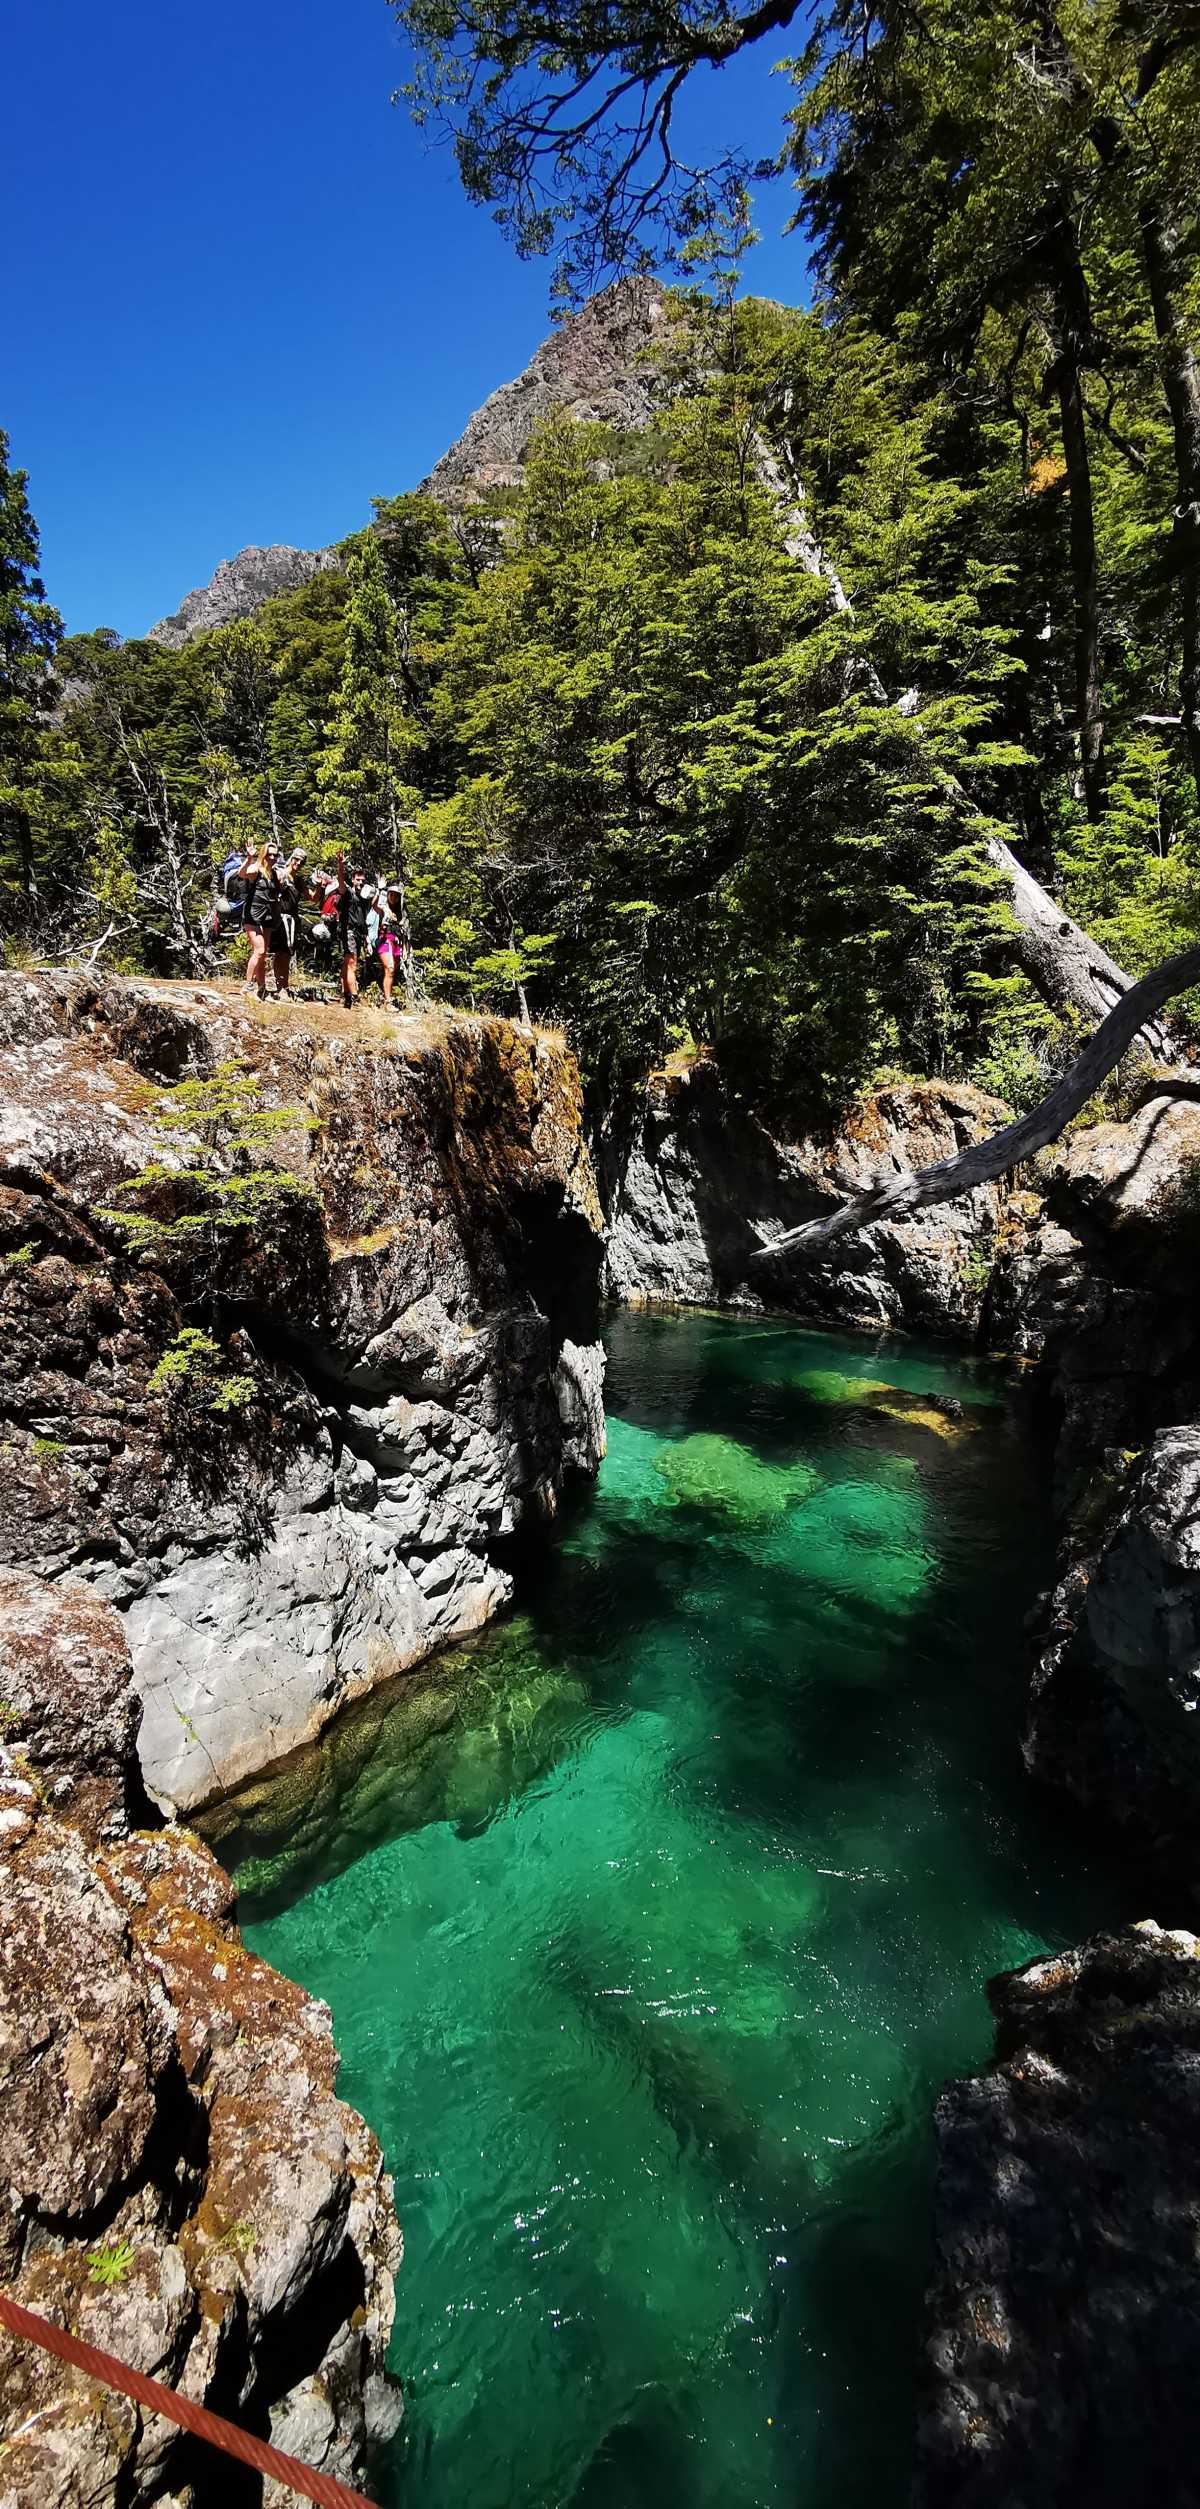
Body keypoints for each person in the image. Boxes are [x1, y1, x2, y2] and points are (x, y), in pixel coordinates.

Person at [244, 842, 281, 999]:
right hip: (252, 916)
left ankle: (261, 988)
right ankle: (247, 987)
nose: (272, 857)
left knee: (263, 953)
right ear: (263, 854)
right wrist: (249, 858)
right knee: (258, 951)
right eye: (269, 854)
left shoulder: (274, 874)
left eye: (275, 855)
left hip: (267, 917)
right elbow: (242, 873)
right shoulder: (256, 869)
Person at [270, 847, 308, 1000]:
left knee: (285, 954)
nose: (298, 863)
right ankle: (277, 987)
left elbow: (312, 897)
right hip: (279, 919)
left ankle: (283, 986)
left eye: (301, 861)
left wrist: (320, 885)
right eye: (296, 859)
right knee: (278, 953)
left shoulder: (298, 880)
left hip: (291, 920)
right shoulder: (280, 873)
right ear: (291, 858)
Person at [336, 851, 371, 1008]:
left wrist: (366, 938)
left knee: (347, 963)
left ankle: (346, 996)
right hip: (348, 931)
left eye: (362, 880)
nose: (360, 883)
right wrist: (341, 865)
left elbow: (364, 919)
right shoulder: (348, 893)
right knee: (352, 963)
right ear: (352, 880)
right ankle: (354, 996)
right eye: (358, 880)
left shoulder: (363, 898)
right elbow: (341, 882)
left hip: (358, 933)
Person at [375, 878, 412, 1008]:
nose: (394, 898)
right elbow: (375, 906)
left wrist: (405, 948)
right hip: (384, 940)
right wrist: (380, 890)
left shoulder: (400, 912)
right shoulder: (383, 907)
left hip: (396, 942)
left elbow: (403, 932)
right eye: (391, 894)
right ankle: (388, 1001)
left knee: (392, 970)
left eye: (396, 896)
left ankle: (383, 993)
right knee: (389, 968)